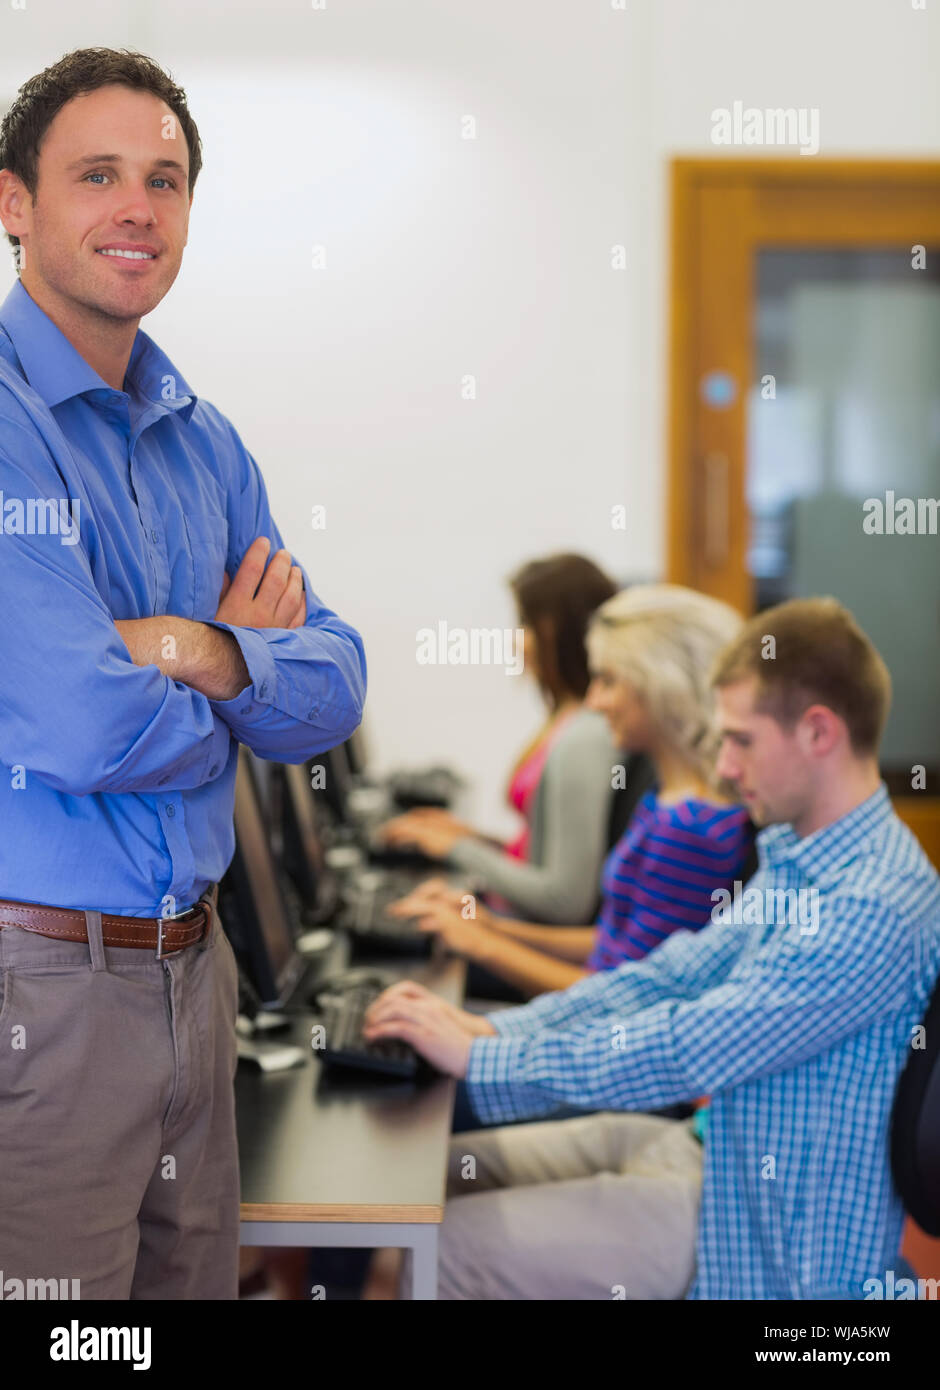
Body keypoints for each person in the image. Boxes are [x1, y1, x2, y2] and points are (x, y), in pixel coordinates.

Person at [0, 49, 366, 1300]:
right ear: (13, 204)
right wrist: (243, 696)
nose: (136, 209)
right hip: (43, 995)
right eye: (96, 175)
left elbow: (336, 686)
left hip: (192, 978)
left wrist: (196, 647)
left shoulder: (202, 438)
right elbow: (79, 721)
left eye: (164, 179)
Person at [364, 598, 940, 1299]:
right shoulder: (801, 855)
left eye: (742, 740)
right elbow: (671, 975)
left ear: (819, 732)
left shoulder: (871, 905)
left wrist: (488, 1058)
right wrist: (494, 1029)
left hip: (769, 1240)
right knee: (448, 1174)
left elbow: (688, 1045)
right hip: (713, 1152)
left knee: (444, 1245)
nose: (724, 766)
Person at [391, 585, 754, 998]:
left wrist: (483, 944)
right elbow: (613, 943)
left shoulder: (690, 828)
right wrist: (493, 926)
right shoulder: (665, 795)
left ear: (662, 687)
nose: (595, 701)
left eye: (608, 681)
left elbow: (621, 995)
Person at [379, 553, 639, 926]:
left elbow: (564, 899)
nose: (517, 643)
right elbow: (542, 858)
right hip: (515, 919)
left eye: (526, 626)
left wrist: (458, 849)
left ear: (559, 633)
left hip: (531, 936)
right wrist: (470, 837)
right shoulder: (567, 718)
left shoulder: (587, 737)